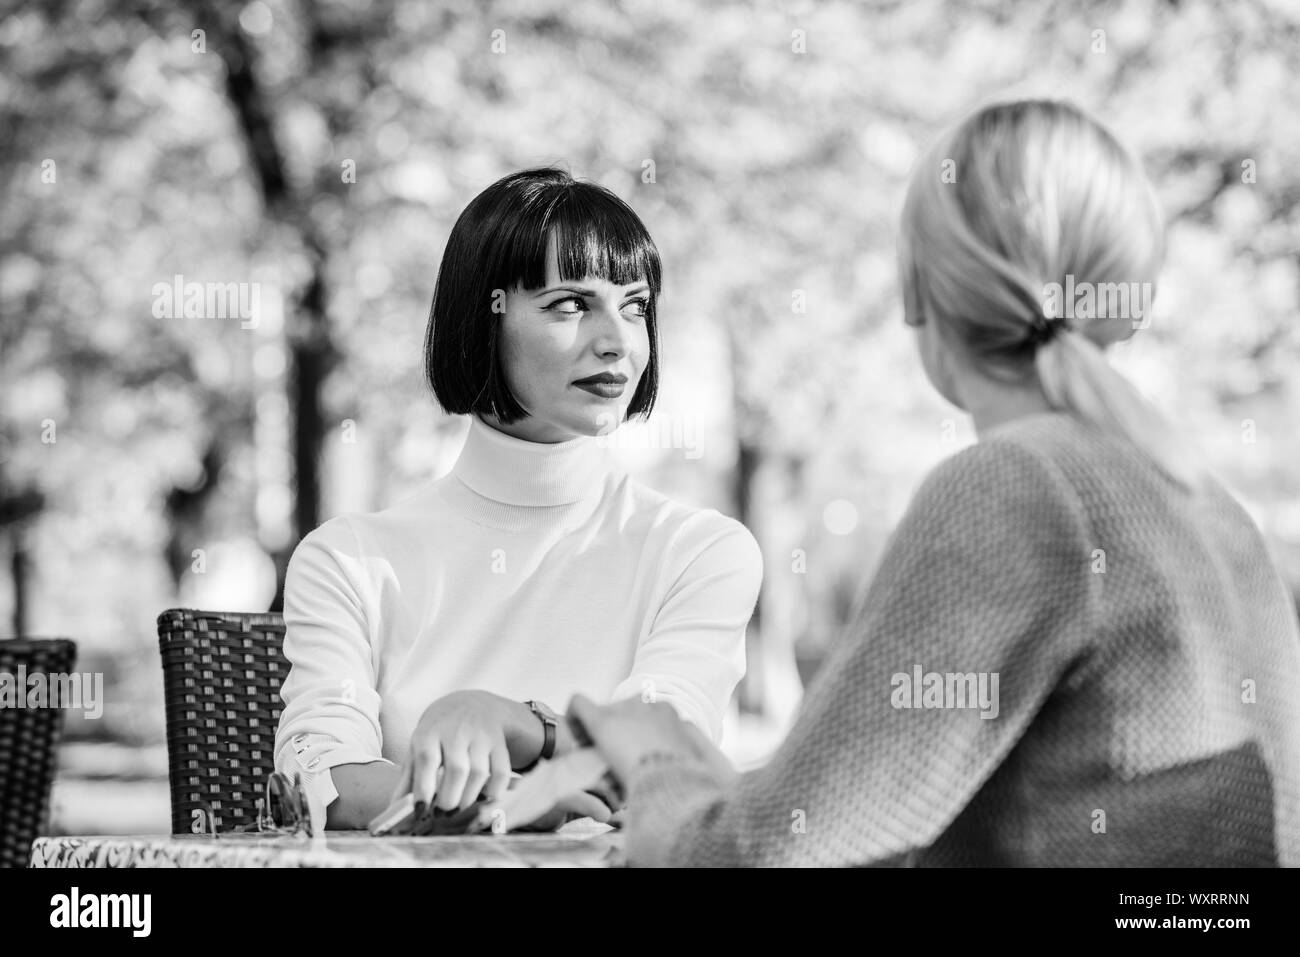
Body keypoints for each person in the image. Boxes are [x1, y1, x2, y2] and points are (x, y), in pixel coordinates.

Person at [570, 99, 1300, 866]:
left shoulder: (1017, 487)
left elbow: (752, 856)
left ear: (922, 290)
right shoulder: (1212, 506)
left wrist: (651, 764)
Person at [273, 168, 762, 829]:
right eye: (569, 304)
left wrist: (516, 722)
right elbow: (316, 773)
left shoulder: (700, 551)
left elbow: (665, 756)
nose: (618, 340)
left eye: (635, 305)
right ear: (487, 315)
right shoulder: (348, 559)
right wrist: (498, 802)